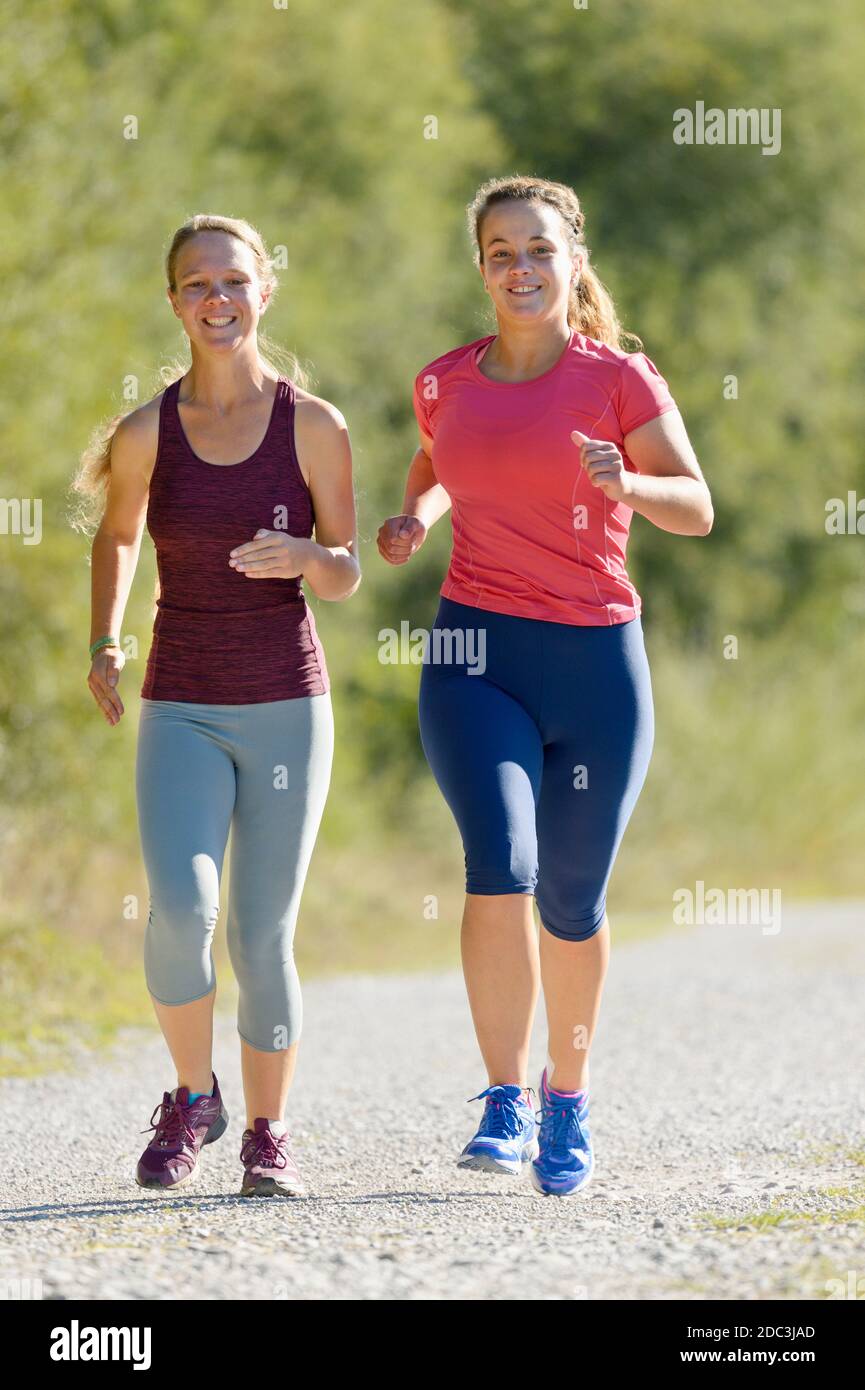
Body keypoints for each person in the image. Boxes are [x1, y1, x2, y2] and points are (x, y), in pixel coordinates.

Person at [378, 175, 712, 1196]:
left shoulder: (621, 379)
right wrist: (416, 521)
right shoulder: (444, 380)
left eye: (537, 251)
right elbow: (434, 466)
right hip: (474, 654)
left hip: (596, 666)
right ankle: (503, 1097)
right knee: (500, 861)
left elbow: (695, 506)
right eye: (499, 254)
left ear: (573, 260)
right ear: (480, 267)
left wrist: (628, 481)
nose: (519, 270)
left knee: (571, 899)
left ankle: (566, 1096)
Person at [73, 214, 359, 1197]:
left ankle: (268, 1136)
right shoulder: (146, 431)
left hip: (286, 703)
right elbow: (115, 536)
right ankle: (193, 1098)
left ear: (264, 290)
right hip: (182, 703)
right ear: (174, 303)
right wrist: (107, 638)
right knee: (180, 911)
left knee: (259, 932)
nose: (216, 299)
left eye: (232, 280)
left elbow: (347, 571)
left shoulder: (314, 427)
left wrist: (306, 558)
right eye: (196, 284)